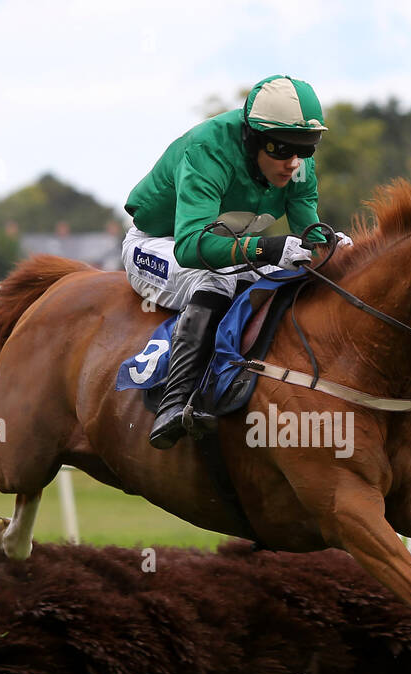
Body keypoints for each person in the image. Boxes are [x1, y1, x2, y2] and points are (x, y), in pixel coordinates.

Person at [123, 74, 348, 449]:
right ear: (252, 138)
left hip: (225, 247)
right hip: (160, 243)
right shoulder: (207, 151)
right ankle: (174, 402)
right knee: (215, 281)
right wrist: (267, 248)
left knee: (287, 276)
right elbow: (191, 247)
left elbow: (309, 230)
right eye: (281, 149)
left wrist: (336, 248)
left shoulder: (296, 164)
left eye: (305, 149)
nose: (293, 163)